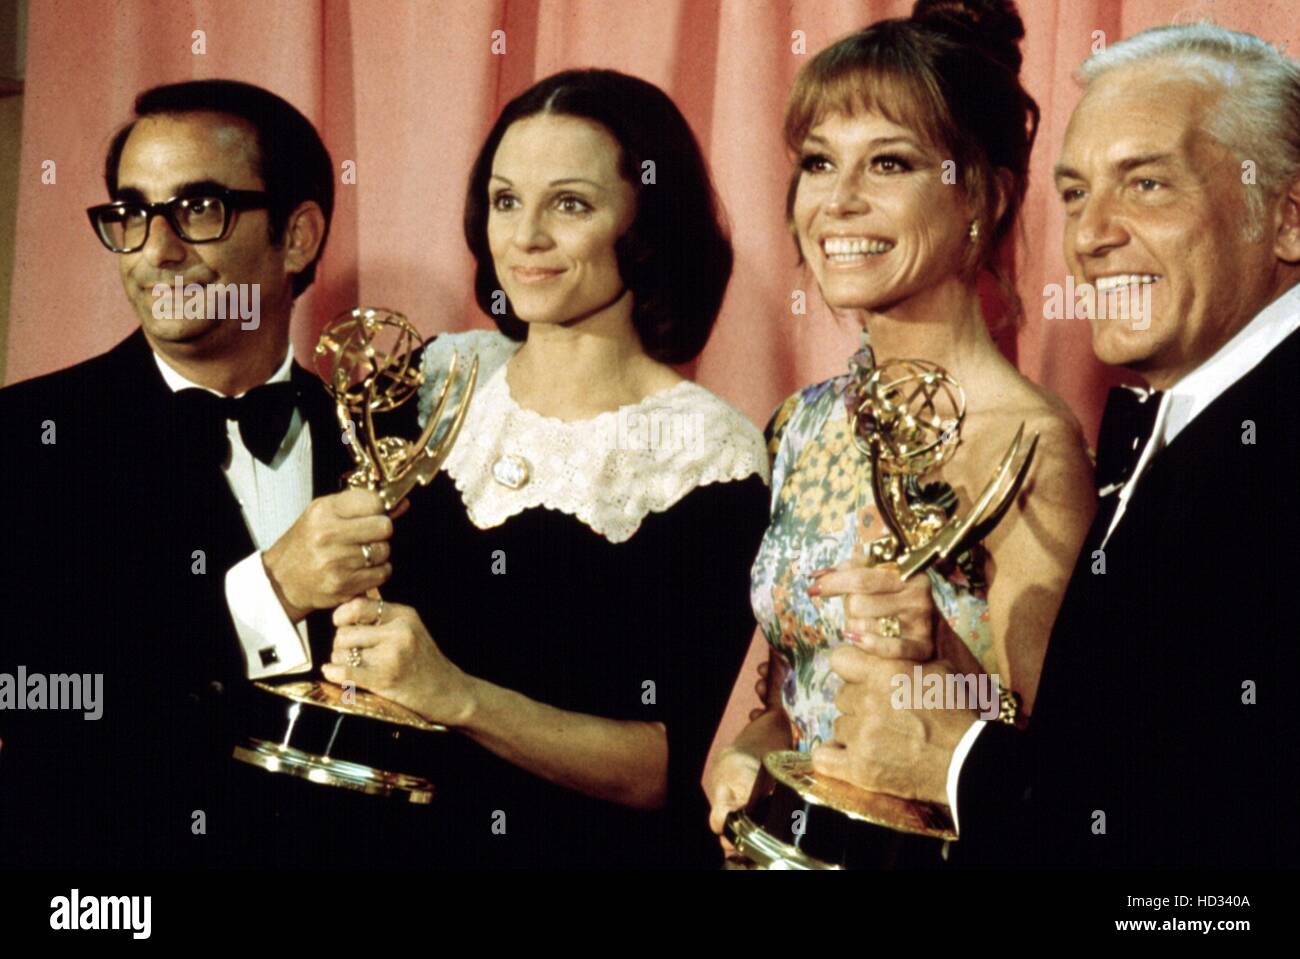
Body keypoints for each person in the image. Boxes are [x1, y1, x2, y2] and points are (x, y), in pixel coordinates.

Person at [823, 22, 1300, 868]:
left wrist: (959, 763)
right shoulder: (1177, 422)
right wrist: (948, 666)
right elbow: (1132, 747)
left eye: (1147, 184)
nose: (1090, 236)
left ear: (1289, 217)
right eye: (1075, 193)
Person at [321, 69, 771, 869]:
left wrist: (454, 694)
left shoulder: (708, 455)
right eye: (504, 200)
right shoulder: (427, 380)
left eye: (570, 204)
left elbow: (663, 767)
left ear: (647, 224)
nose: (524, 236)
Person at [705, 0, 1096, 860]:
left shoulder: (1032, 444)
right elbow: (795, 689)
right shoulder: (802, 422)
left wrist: (942, 655)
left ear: (984, 198)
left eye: (889, 162)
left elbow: (1047, 766)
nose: (838, 201)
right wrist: (751, 751)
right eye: (817, 162)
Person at [0, 79, 407, 868]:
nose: (157, 251)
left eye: (198, 209)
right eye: (130, 214)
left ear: (297, 235)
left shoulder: (387, 441)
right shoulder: (24, 439)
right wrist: (267, 594)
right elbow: (42, 697)